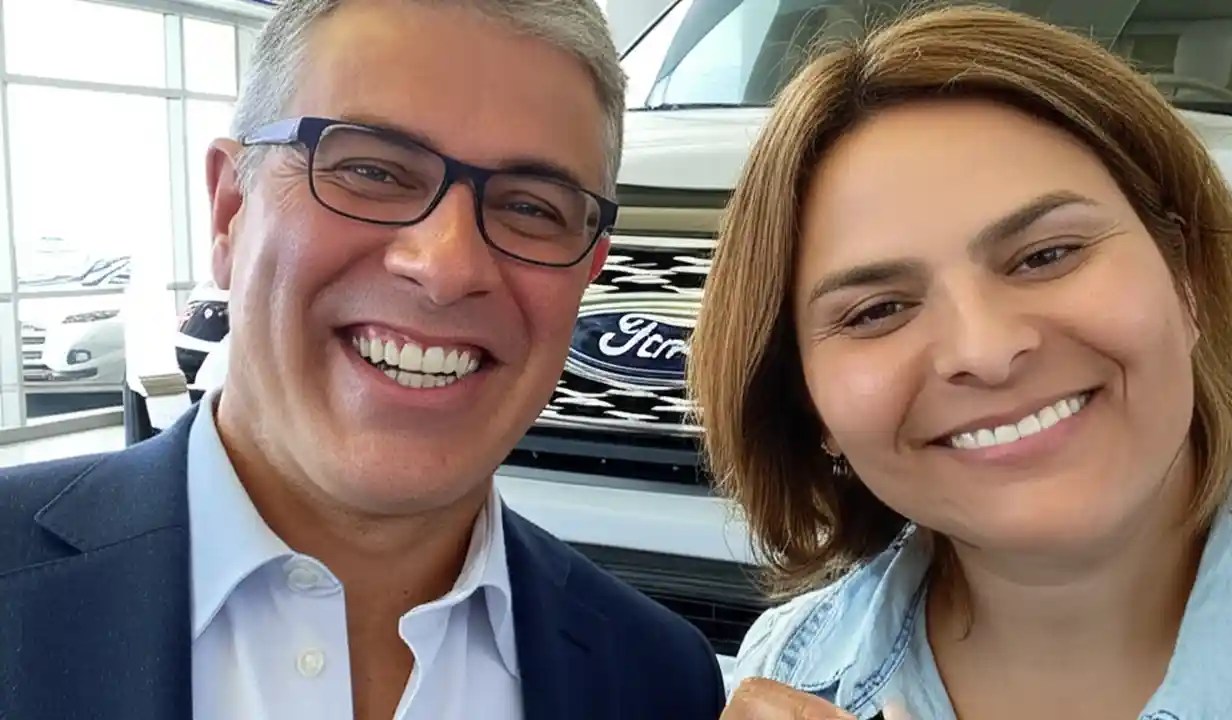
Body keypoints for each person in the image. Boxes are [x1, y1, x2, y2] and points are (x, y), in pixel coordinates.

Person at [0, 1, 726, 719]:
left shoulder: (659, 682)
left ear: (588, 271)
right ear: (229, 211)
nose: (444, 268)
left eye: (532, 208)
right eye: (373, 171)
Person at [688, 5, 1232, 719]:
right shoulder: (787, 672)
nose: (986, 353)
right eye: (878, 310)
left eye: (1046, 255)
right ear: (809, 402)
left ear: (1185, 278)